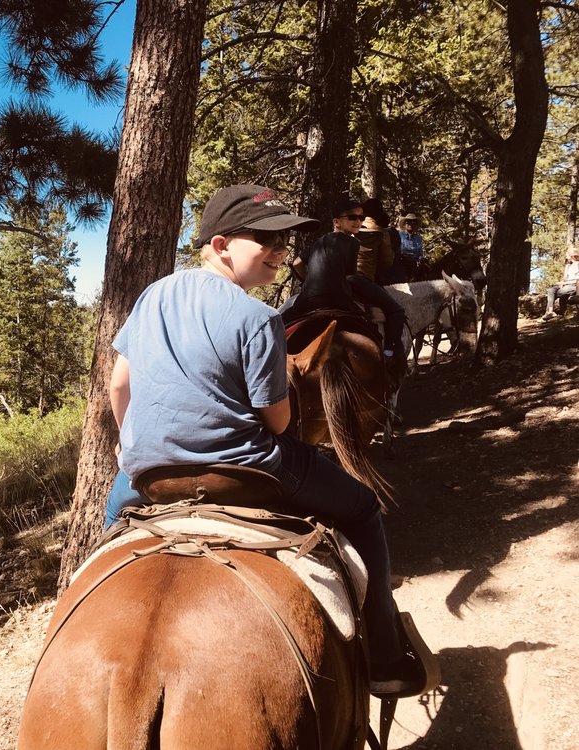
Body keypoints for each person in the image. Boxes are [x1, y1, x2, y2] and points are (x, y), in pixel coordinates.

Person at [107, 183, 422, 697]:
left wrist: (129, 443)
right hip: (244, 466)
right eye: (266, 239)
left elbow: (119, 385)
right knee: (363, 507)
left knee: (111, 523)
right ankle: (386, 655)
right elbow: (276, 422)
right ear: (220, 245)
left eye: (284, 241)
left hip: (151, 472)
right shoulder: (258, 319)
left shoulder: (153, 296)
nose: (280, 250)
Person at [286, 196, 407, 368]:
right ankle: (390, 351)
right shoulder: (352, 242)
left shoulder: (318, 241)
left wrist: (309, 280)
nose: (358, 221)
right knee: (396, 310)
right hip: (338, 296)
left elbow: (297, 263)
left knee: (281, 320)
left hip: (308, 298)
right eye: (352, 217)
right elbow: (350, 275)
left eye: (361, 217)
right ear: (336, 222)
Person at [541, 249, 579, 320]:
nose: (566, 256)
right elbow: (565, 277)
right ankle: (550, 312)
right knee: (550, 290)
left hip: (574, 285)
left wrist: (564, 283)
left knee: (559, 293)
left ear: (572, 256)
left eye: (567, 255)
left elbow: (577, 279)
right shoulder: (568, 266)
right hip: (566, 284)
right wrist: (561, 282)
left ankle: (559, 313)